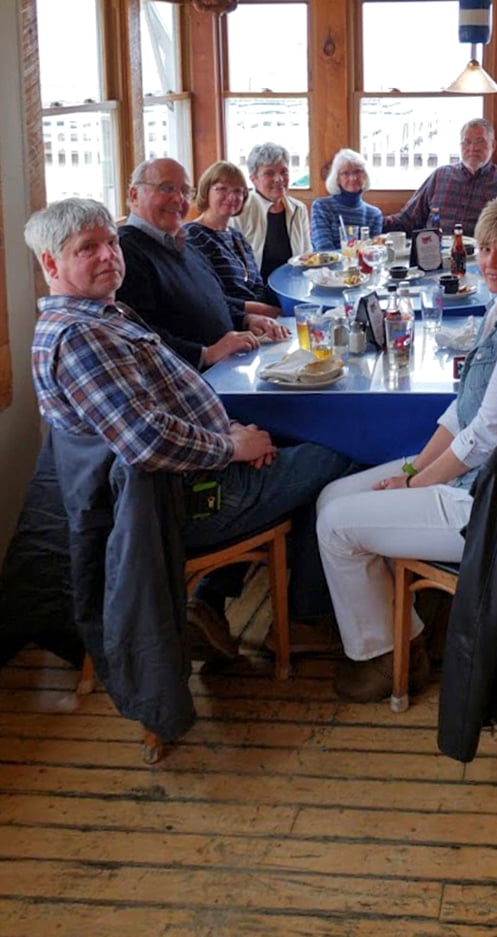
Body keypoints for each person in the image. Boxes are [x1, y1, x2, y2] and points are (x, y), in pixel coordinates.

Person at [24, 198, 356, 662]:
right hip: (185, 502)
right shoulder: (80, 337)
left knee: (297, 454)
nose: (108, 255)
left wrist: (233, 432)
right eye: (87, 248)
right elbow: (146, 441)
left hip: (191, 477)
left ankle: (217, 604)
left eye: (111, 243)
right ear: (50, 263)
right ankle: (305, 619)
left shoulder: (103, 315)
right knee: (339, 454)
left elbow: (159, 409)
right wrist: (232, 448)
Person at [317, 191, 497, 703]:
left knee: (336, 524)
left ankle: (387, 657)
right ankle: (405, 632)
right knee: (333, 496)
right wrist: (412, 471)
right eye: (485, 248)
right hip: (492, 479)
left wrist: (416, 484)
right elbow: (463, 411)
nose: (490, 262)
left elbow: (490, 432)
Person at [117, 157, 288, 370]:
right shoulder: (125, 250)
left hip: (233, 362)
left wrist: (246, 319)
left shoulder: (184, 245)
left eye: (184, 191)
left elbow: (212, 301)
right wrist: (205, 354)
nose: (178, 199)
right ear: (134, 194)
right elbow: (136, 332)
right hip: (193, 376)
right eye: (166, 188)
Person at [382, 119, 497, 237]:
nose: (472, 148)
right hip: (434, 256)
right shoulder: (440, 176)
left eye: (480, 141)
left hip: (483, 259)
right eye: (467, 142)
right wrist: (375, 221)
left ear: (493, 145)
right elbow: (408, 220)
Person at [184, 161, 282, 318]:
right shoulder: (192, 235)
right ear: (206, 191)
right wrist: (261, 310)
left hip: (260, 320)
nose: (232, 197)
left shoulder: (237, 237)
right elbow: (204, 296)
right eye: (222, 189)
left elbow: (258, 286)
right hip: (226, 322)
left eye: (238, 191)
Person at [231, 142, 311, 280]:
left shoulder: (299, 209)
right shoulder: (240, 210)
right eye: (269, 173)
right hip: (253, 288)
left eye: (284, 172)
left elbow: (307, 256)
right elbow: (234, 264)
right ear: (253, 179)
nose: (279, 179)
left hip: (293, 285)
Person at [311, 149, 383, 250]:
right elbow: (323, 249)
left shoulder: (374, 214)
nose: (353, 178)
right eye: (345, 173)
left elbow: (372, 252)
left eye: (358, 172)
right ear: (337, 179)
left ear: (365, 175)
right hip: (328, 260)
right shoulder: (321, 207)